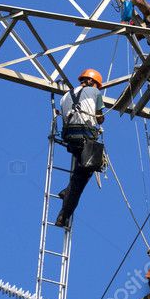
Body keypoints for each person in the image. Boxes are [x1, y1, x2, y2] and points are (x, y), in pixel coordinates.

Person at [55, 69, 105, 228]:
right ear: (93, 82)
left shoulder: (65, 96)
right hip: (85, 136)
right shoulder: (95, 93)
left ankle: (66, 191)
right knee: (83, 176)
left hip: (70, 137)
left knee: (79, 170)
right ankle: (64, 214)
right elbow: (100, 118)